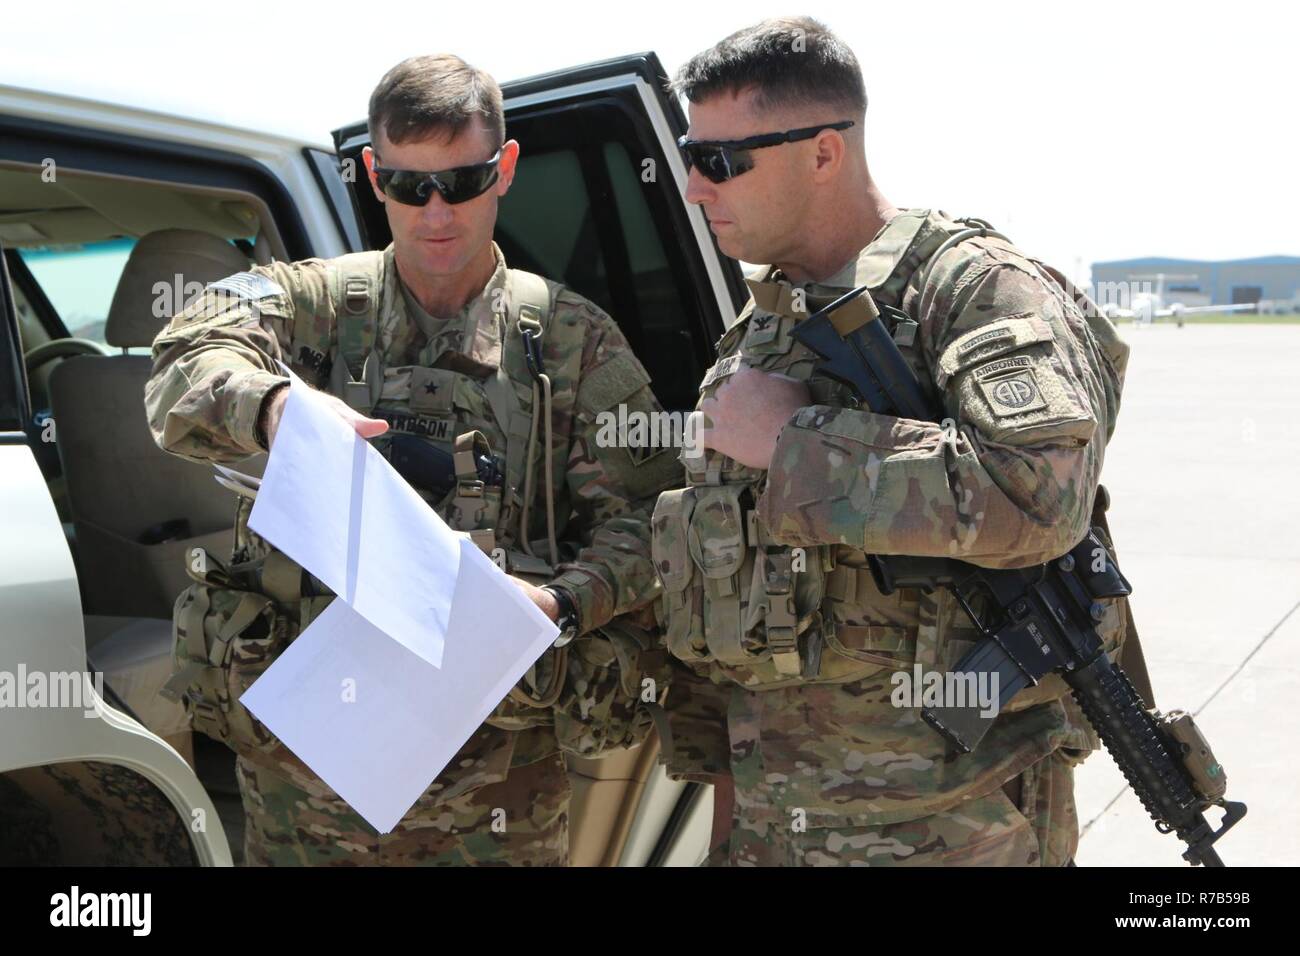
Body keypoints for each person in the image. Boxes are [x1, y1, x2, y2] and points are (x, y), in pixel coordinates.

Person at [146, 54, 676, 865]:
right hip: (307, 787)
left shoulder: (569, 339)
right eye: (408, 185)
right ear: (373, 175)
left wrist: (562, 604)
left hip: (497, 792)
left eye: (461, 183)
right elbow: (187, 349)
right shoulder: (313, 302)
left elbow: (648, 522)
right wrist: (274, 406)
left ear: (504, 170)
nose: (436, 211)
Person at [652, 17, 1132, 866]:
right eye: (693, 157)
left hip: (953, 829)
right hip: (778, 825)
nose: (694, 187)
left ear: (824, 153)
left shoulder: (974, 287)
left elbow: (1039, 497)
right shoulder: (759, 334)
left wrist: (796, 442)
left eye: (720, 162)